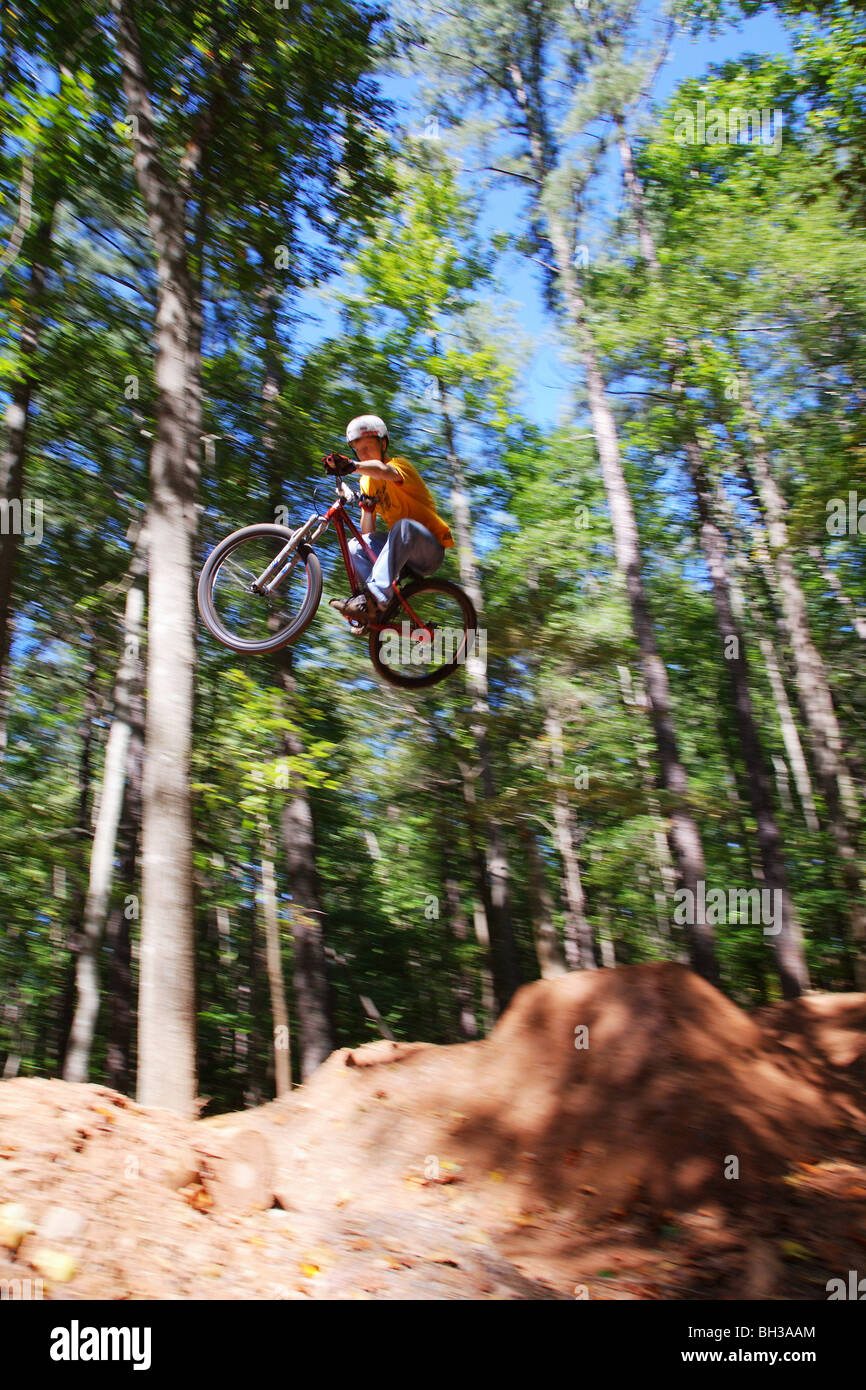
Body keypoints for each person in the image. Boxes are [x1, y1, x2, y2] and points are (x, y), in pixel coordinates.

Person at [323, 414, 454, 621]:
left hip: (428, 549)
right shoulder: (366, 483)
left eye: (368, 447)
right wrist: (367, 507)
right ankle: (374, 608)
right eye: (358, 450)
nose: (364, 454)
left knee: (403, 527)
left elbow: (384, 471)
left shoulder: (400, 465)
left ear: (383, 444)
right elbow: (368, 533)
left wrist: (354, 465)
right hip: (400, 553)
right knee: (355, 546)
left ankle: (376, 596)